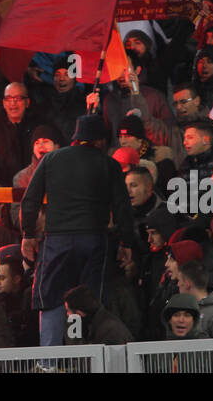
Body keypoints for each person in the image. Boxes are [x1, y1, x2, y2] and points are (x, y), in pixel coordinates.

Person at [21, 113, 139, 347]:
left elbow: (29, 200)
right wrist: (127, 243)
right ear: (101, 141)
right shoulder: (109, 164)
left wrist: (28, 235)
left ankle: (50, 361)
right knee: (87, 301)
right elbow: (122, 208)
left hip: (57, 242)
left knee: (52, 299)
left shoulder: (51, 160)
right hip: (94, 241)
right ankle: (85, 354)